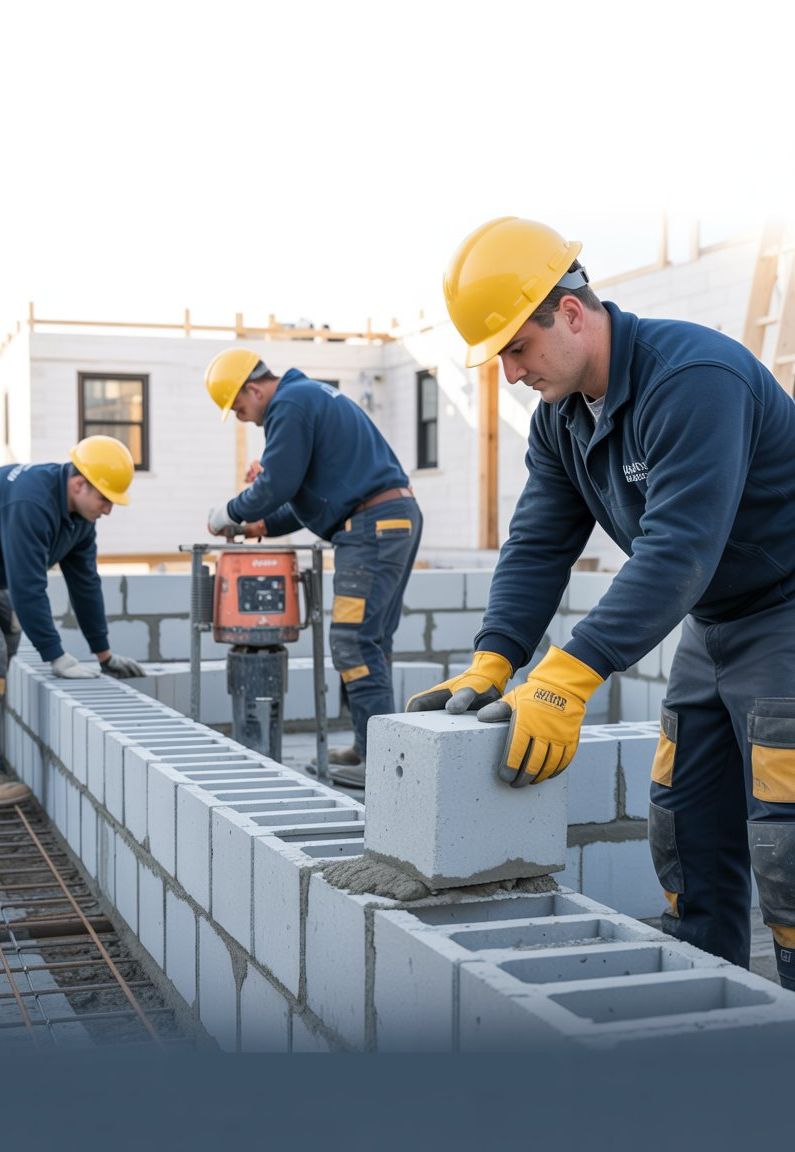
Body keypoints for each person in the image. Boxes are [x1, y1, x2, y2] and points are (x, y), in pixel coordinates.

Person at [407, 215, 795, 991]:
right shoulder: (562, 420)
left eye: (518, 348)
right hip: (711, 624)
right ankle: (715, 1012)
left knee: (786, 848)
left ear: (572, 312)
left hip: (783, 615)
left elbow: (679, 549)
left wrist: (569, 674)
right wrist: (496, 656)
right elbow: (538, 544)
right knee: (685, 828)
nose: (511, 373)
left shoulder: (694, 379)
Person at [204, 348, 422, 788]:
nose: (244, 419)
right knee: (370, 640)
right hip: (388, 519)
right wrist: (262, 525)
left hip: (371, 527)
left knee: (353, 641)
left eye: (240, 408)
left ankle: (381, 763)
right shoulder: (307, 397)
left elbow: (276, 484)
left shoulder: (289, 404)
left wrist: (230, 512)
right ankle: (370, 745)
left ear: (253, 389)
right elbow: (307, 498)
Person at [0, 435, 145, 807]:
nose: (109, 510)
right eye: (104, 498)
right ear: (78, 484)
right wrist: (55, 656)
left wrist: (104, 655)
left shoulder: (80, 521)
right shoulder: (30, 502)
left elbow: (85, 584)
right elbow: (27, 586)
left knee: (6, 641)